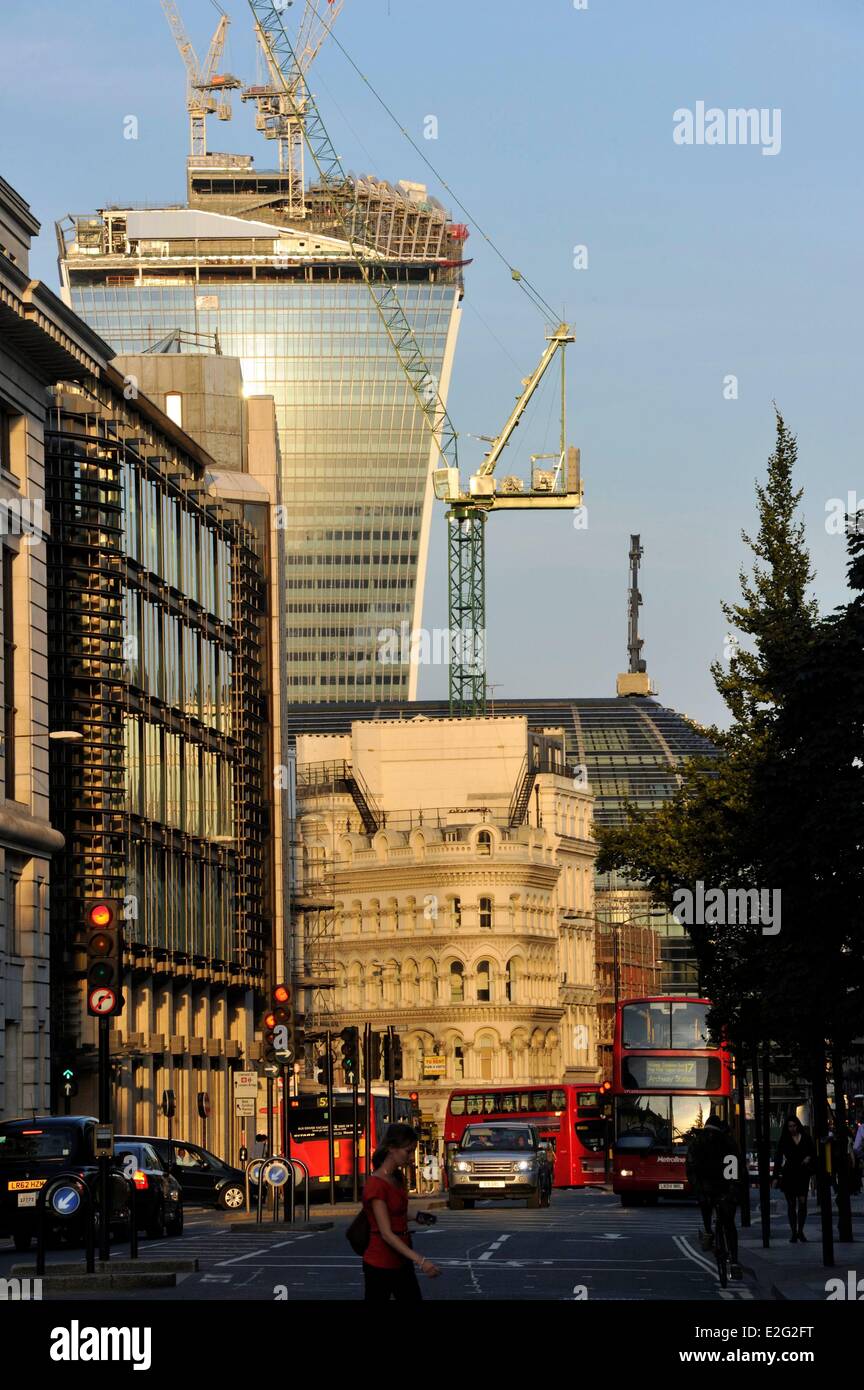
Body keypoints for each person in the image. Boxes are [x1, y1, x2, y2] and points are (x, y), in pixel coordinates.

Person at [361, 1123, 441, 1301]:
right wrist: (421, 1261)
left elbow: (395, 1213)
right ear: (392, 1149)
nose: (412, 1158)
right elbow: (386, 1233)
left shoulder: (396, 1178)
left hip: (401, 1258)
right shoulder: (376, 1184)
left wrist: (418, 1216)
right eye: (408, 1151)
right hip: (380, 1263)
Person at [685, 1114, 743, 1280]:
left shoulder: (698, 1142)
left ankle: (709, 1232)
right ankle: (734, 1262)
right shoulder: (728, 1142)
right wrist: (734, 1189)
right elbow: (736, 1167)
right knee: (729, 1225)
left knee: (705, 1207)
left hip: (707, 1187)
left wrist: (697, 1189)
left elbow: (691, 1167)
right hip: (726, 1187)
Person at [773, 1115, 816, 1242]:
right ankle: (793, 1232)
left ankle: (800, 1231)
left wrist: (809, 1158)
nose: (792, 1128)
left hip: (802, 1173)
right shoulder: (784, 1139)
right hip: (789, 1173)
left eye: (794, 1126)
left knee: (803, 1203)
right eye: (790, 1126)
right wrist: (775, 1176)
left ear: (798, 1125)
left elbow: (813, 1152)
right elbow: (778, 1158)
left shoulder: (806, 1138)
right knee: (791, 1204)